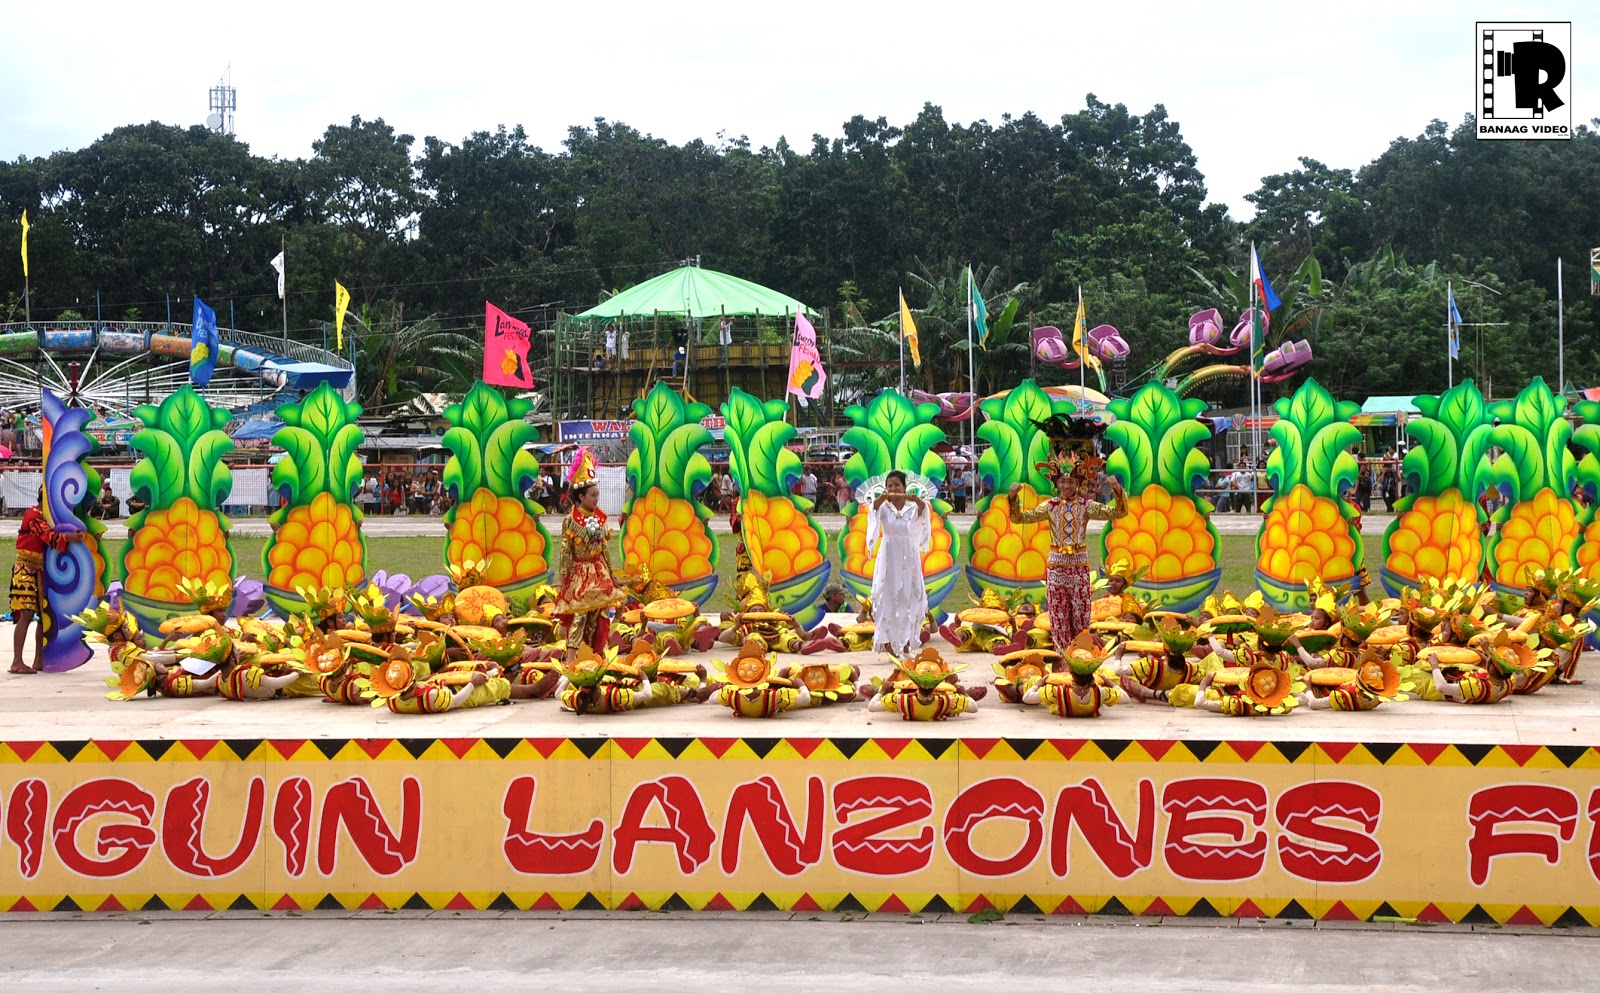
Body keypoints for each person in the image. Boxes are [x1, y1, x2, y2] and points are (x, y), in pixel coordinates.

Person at [1007, 432, 1128, 648]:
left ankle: (1081, 653)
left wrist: (1118, 491)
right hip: (1056, 567)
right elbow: (1019, 518)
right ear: (1057, 483)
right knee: (1058, 615)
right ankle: (1062, 656)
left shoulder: (1086, 505)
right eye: (1063, 481)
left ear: (1078, 484)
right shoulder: (1050, 506)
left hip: (1079, 567)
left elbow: (1118, 513)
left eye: (1070, 481)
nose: (1066, 486)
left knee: (1081, 614)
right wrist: (1013, 498)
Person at [549, 449, 622, 664]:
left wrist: (611, 574)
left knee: (597, 617)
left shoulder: (600, 519)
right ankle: (571, 660)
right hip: (581, 576)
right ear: (581, 497)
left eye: (597, 495)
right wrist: (563, 579)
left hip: (598, 573)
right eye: (593, 495)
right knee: (579, 617)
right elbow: (565, 552)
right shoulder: (570, 521)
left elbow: (604, 550)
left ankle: (592, 655)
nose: (596, 499)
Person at [10, 488, 88, 673]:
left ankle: (39, 660)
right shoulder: (33, 515)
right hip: (25, 571)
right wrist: (71, 538)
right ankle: (17, 661)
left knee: (43, 617)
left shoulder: (42, 517)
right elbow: (48, 537)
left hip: (38, 571)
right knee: (27, 615)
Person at [866, 471, 931, 656]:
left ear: (904, 487)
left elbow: (923, 513)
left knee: (910, 595)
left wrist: (917, 500)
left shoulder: (912, 507)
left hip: (909, 555)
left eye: (897, 485)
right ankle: (891, 645)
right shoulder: (884, 508)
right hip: (889, 554)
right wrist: (882, 498)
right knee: (887, 594)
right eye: (890, 486)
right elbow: (874, 509)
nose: (893, 489)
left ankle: (906, 645)